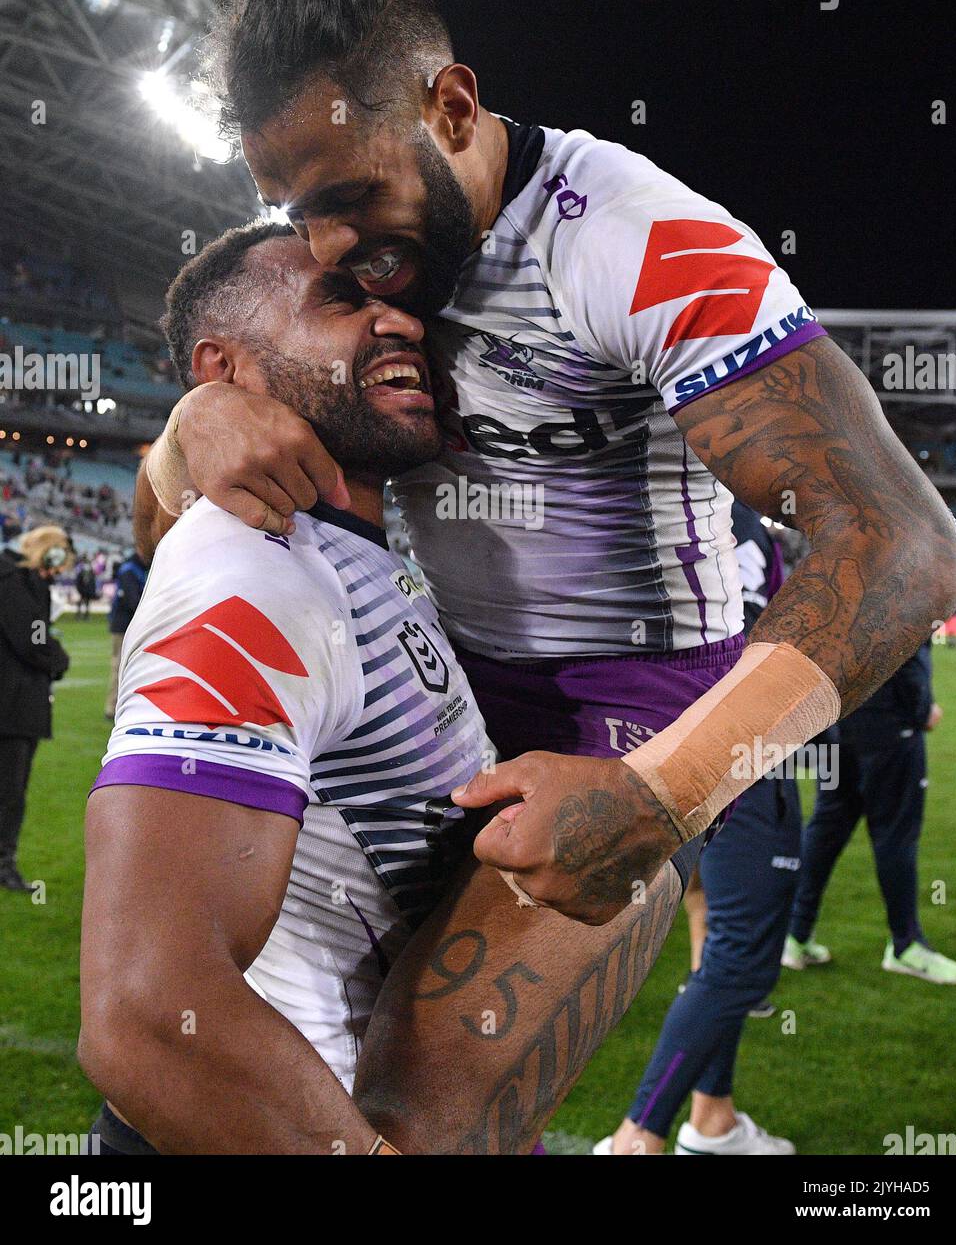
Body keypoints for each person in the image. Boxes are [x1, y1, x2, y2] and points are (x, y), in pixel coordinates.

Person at [133, 0, 956, 1145]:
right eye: (292, 209)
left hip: (633, 710)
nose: (330, 250)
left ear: (452, 109)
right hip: (424, 694)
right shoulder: (369, 271)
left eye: (349, 198)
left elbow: (901, 548)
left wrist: (661, 796)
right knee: (241, 1070)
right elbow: (196, 505)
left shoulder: (635, 242)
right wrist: (183, 429)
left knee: (412, 1111)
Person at [80, 226, 687, 1156]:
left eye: (398, 300)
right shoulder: (253, 572)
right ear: (222, 366)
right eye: (340, 299)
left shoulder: (359, 545)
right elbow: (148, 1018)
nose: (398, 318)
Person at [594, 503, 802, 1155]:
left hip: (664, 749)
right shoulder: (721, 513)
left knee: (710, 934)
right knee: (741, 958)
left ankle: (711, 1118)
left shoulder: (666, 497)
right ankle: (638, 1136)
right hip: (736, 755)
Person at [784, 641, 956, 986]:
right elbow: (906, 641)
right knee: (895, 836)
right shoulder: (898, 586)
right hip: (887, 728)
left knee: (826, 831)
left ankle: (796, 935)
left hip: (838, 723)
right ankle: (905, 946)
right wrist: (922, 709)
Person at [0, 525, 72, 892]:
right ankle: (3, 864)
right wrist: (59, 660)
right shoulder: (14, 581)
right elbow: (34, 640)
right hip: (14, 705)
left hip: (15, 702)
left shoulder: (15, 578)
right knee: (10, 791)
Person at [104, 549, 148, 719]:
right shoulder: (130, 570)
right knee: (119, 666)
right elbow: (133, 601)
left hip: (129, 624)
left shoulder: (136, 568)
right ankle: (112, 706)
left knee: (126, 667)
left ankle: (122, 705)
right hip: (123, 625)